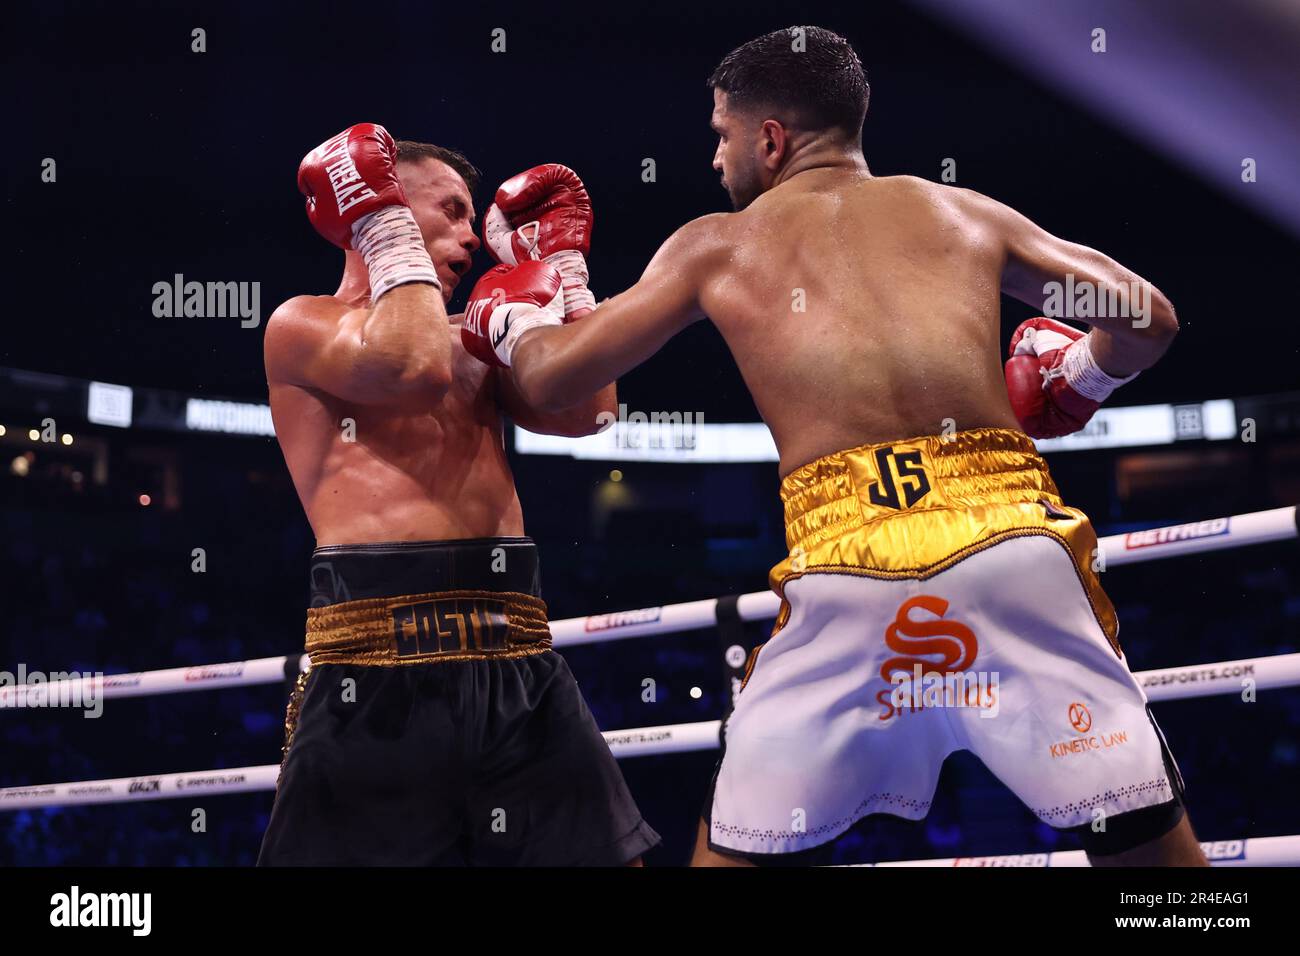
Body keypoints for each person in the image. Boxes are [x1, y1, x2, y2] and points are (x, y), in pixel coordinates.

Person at [459, 27, 1205, 867]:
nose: (715, 159)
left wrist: (525, 306)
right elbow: (1150, 318)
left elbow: (556, 380)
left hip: (846, 564)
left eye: (720, 134)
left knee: (736, 855)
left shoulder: (717, 244)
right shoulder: (958, 210)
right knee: (1150, 866)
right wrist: (1079, 377)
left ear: (769, 138)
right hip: (1011, 541)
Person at [257, 122, 659, 865]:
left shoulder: (471, 337)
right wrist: (385, 233)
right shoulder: (303, 324)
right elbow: (411, 369)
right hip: (375, 667)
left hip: (518, 654)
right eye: (450, 211)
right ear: (378, 203)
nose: (475, 236)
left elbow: (587, 410)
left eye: (476, 216)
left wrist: (564, 272)